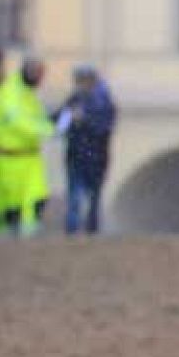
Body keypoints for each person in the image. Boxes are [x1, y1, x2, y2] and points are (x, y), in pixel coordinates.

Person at [0, 52, 54, 237]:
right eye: (38, 74)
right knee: (11, 207)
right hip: (10, 158)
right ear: (27, 71)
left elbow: (38, 118)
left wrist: (53, 123)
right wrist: (49, 130)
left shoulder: (28, 93)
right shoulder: (10, 92)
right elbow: (19, 121)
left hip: (30, 156)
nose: (41, 79)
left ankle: (28, 239)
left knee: (37, 199)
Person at [57, 63, 115, 235]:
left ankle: (91, 231)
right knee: (75, 197)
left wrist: (84, 120)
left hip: (96, 158)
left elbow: (104, 128)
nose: (81, 84)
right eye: (79, 80)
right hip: (76, 156)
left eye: (84, 80)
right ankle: (72, 231)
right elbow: (61, 122)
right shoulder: (74, 100)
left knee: (93, 198)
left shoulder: (103, 103)